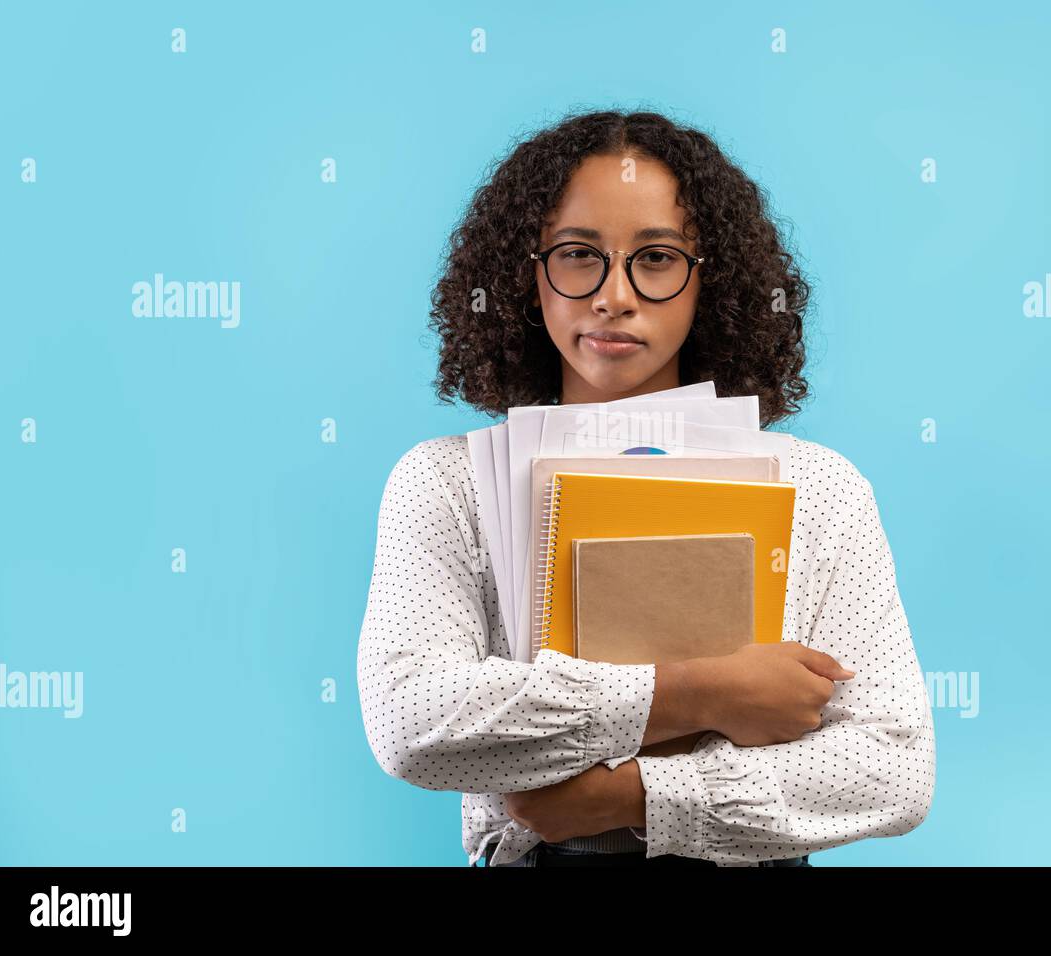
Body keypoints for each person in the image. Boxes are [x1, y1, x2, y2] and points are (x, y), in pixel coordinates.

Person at [356, 109, 935, 868]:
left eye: (656, 259)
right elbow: (412, 724)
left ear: (711, 284)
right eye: (577, 255)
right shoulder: (447, 481)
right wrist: (702, 695)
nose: (614, 296)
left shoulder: (820, 487)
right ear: (528, 279)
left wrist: (632, 796)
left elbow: (894, 769)